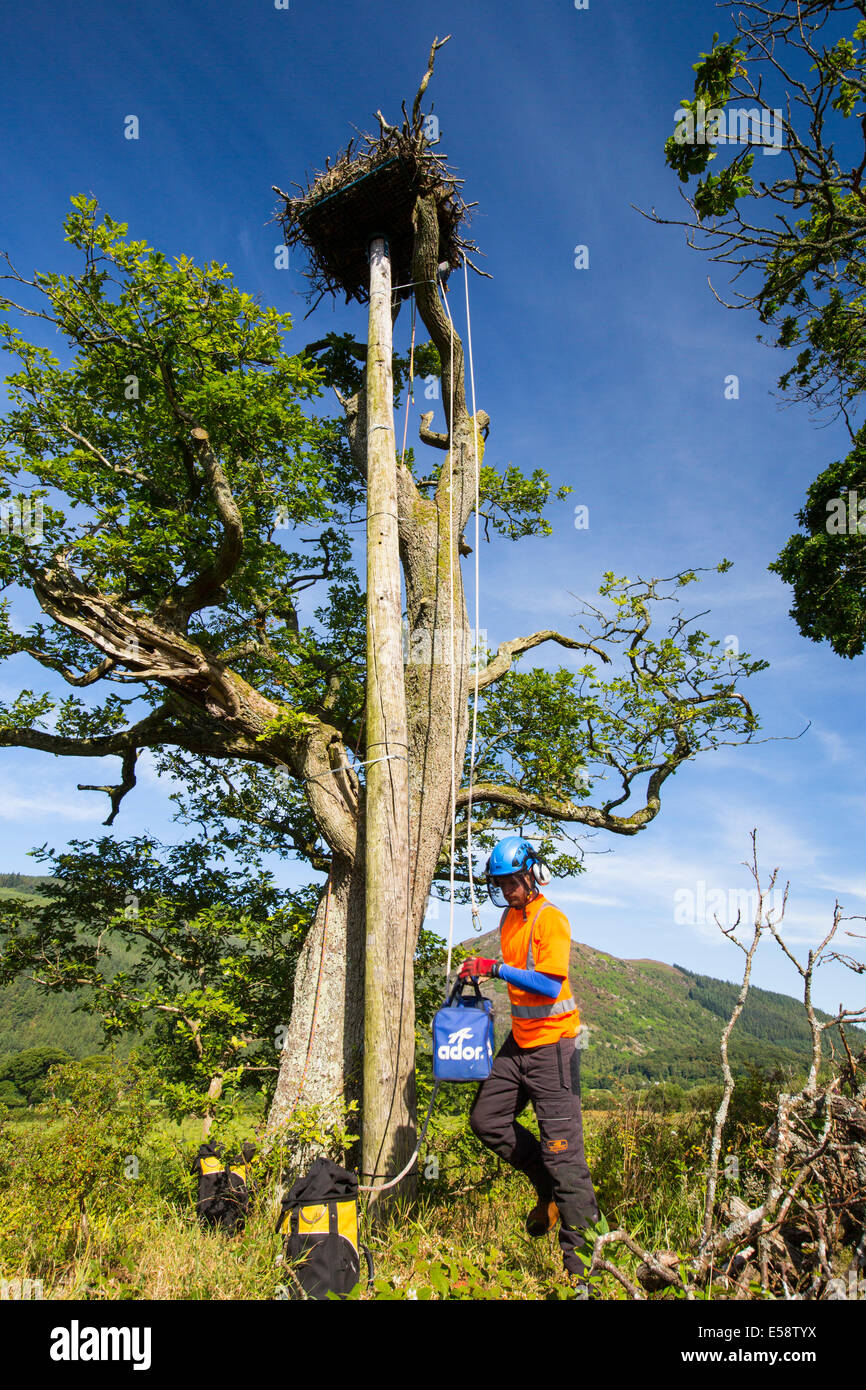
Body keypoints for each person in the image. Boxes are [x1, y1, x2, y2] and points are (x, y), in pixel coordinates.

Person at [460, 835, 600, 1295]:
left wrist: (494, 969)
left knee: (567, 1159)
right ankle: (547, 1189)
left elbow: (547, 983)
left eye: (513, 882)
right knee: (486, 1120)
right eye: (501, 884)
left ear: (532, 875)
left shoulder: (551, 919)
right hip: (519, 1043)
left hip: (555, 1049)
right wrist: (477, 970)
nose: (507, 891)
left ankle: (584, 1275)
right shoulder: (507, 917)